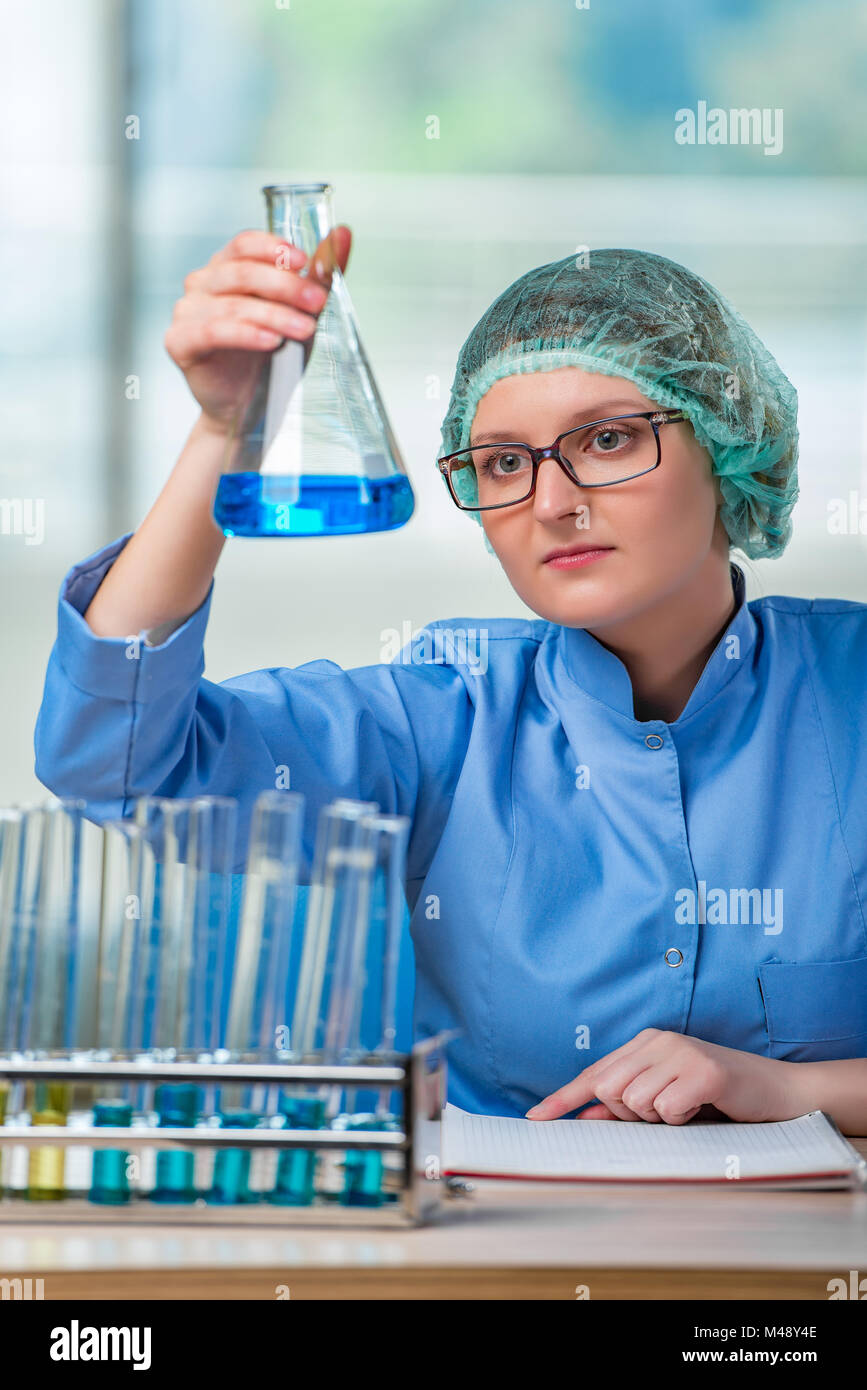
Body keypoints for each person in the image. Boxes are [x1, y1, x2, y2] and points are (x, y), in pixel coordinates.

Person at [33, 233, 867, 1132]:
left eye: (610, 438)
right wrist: (225, 431)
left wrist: (791, 1091)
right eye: (505, 462)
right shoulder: (441, 717)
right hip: (495, 1261)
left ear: (726, 443)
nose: (552, 502)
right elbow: (119, 770)